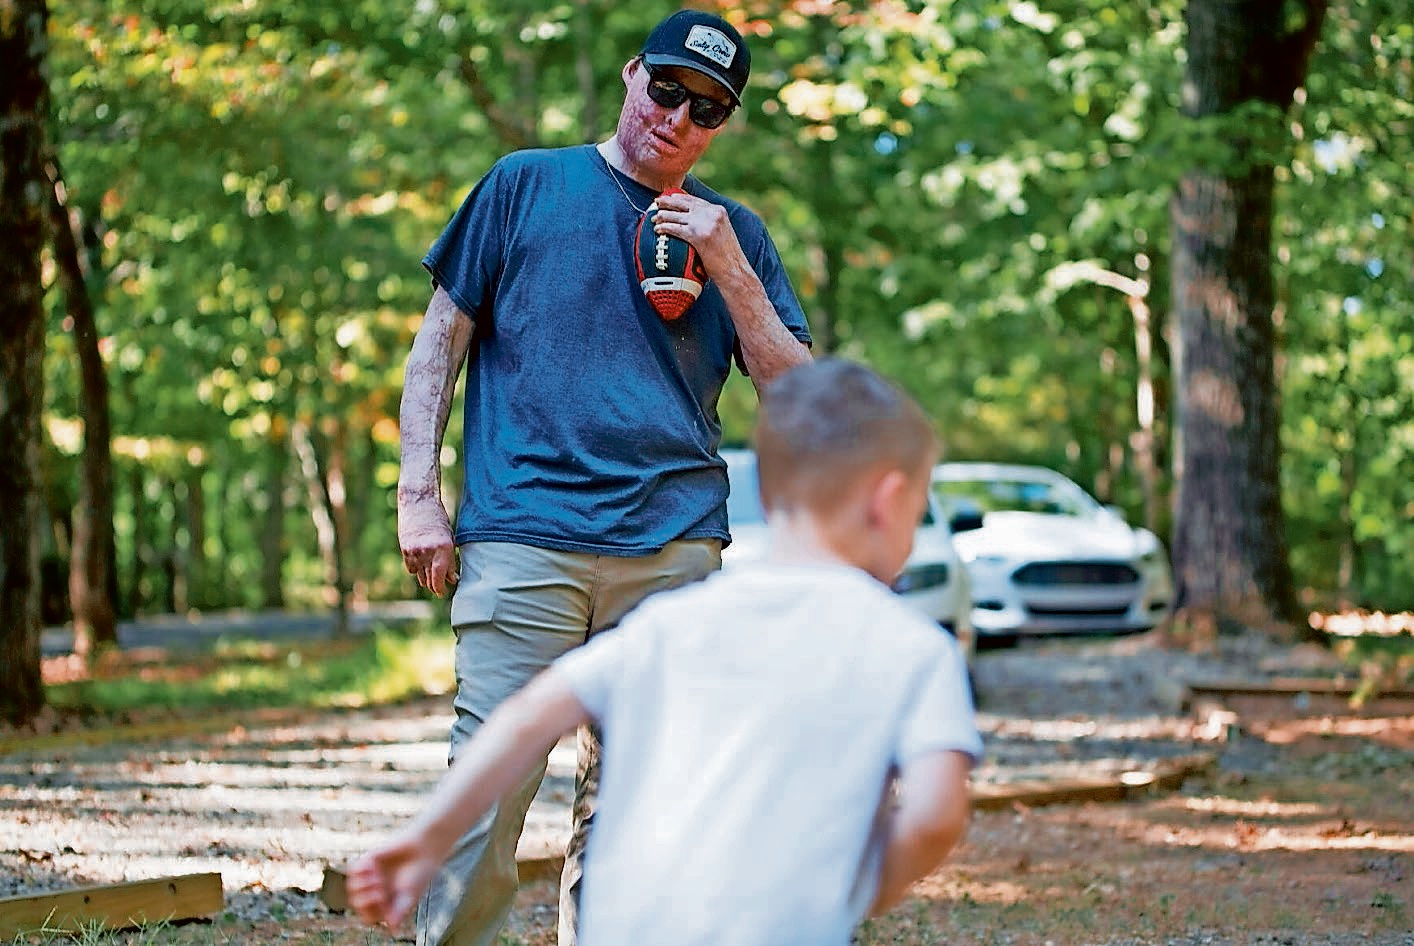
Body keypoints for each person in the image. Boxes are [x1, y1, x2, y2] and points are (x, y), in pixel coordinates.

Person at [394, 9, 812, 945]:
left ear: (721, 126)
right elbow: (436, 349)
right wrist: (417, 493)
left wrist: (728, 262)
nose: (678, 117)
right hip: (523, 537)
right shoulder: (523, 184)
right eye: (667, 88)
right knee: (485, 791)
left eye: (706, 109)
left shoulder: (735, 233)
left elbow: (801, 402)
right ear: (633, 75)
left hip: (672, 552)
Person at [352, 358, 982, 946]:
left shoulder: (670, 624)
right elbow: (932, 816)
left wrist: (429, 836)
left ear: (766, 498)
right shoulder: (913, 649)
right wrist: (854, 887)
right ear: (889, 501)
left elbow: (524, 717)